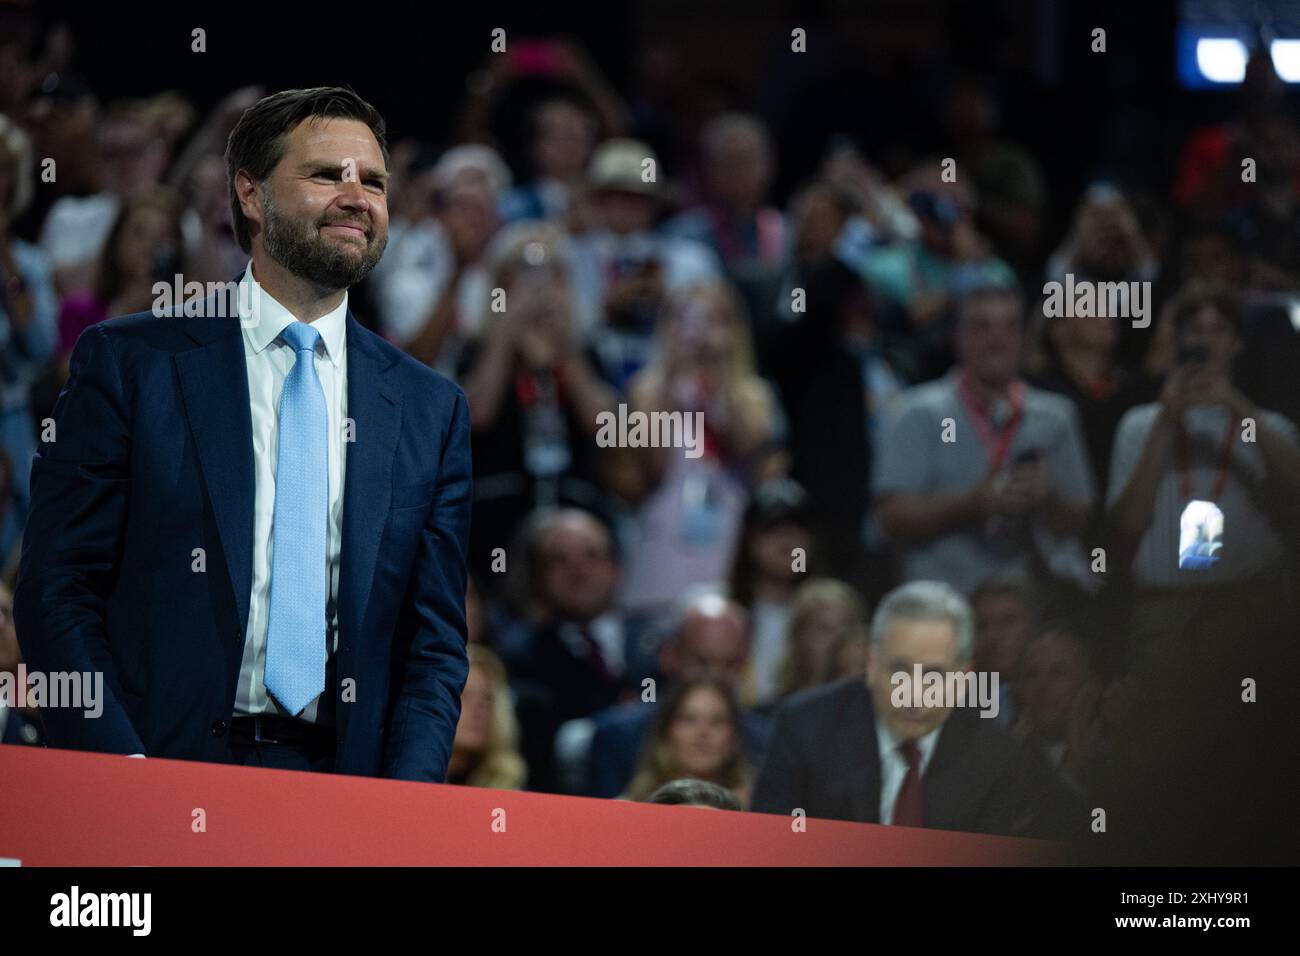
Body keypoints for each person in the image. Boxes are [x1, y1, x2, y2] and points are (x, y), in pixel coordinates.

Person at [15, 87, 472, 781]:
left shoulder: (428, 407)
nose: (357, 197)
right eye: (327, 174)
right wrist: (119, 773)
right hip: (156, 772)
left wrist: (404, 807)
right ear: (251, 196)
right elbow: (58, 587)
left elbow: (432, 647)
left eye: (374, 181)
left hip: (345, 797)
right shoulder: (133, 363)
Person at [750, 581, 1075, 838]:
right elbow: (769, 846)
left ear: (964, 678)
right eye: (900, 672)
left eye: (934, 677)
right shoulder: (806, 728)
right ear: (873, 665)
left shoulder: (997, 758)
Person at [1106, 282, 1300, 685]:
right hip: (1164, 611)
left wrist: (1235, 405)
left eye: (1218, 331)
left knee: (1248, 737)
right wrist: (1165, 424)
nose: (1207, 342)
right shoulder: (1140, 425)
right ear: (1179, 341)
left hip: (1247, 607)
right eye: (1196, 331)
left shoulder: (1262, 426)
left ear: (1236, 343)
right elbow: (1123, 532)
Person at [873, 281, 1095, 596]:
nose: (997, 339)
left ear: (1024, 338)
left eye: (1009, 327)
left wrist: (1049, 496)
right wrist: (974, 502)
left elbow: (1079, 520)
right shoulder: (915, 413)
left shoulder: (1056, 416)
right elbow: (889, 519)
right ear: (958, 336)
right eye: (981, 327)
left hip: (1031, 601)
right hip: (941, 602)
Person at [621, 676, 754, 807]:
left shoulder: (759, 812)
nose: (702, 732)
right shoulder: (623, 810)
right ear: (666, 732)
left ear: (735, 738)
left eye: (717, 721)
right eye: (688, 719)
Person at [445, 644, 527, 789]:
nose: (479, 709)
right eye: (464, 695)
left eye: (487, 699)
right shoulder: (401, 781)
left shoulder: (514, 793)